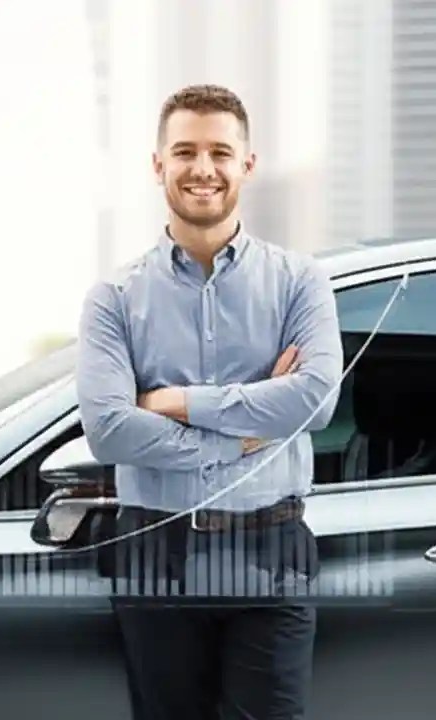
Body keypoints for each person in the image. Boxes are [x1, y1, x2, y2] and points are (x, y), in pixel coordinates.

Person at [75, 84, 344, 720]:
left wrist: (174, 402)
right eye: (185, 151)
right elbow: (109, 429)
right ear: (158, 165)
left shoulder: (300, 282)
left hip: (272, 545)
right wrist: (248, 433)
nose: (203, 168)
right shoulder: (114, 298)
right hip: (156, 547)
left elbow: (315, 400)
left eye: (220, 152)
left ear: (247, 165)